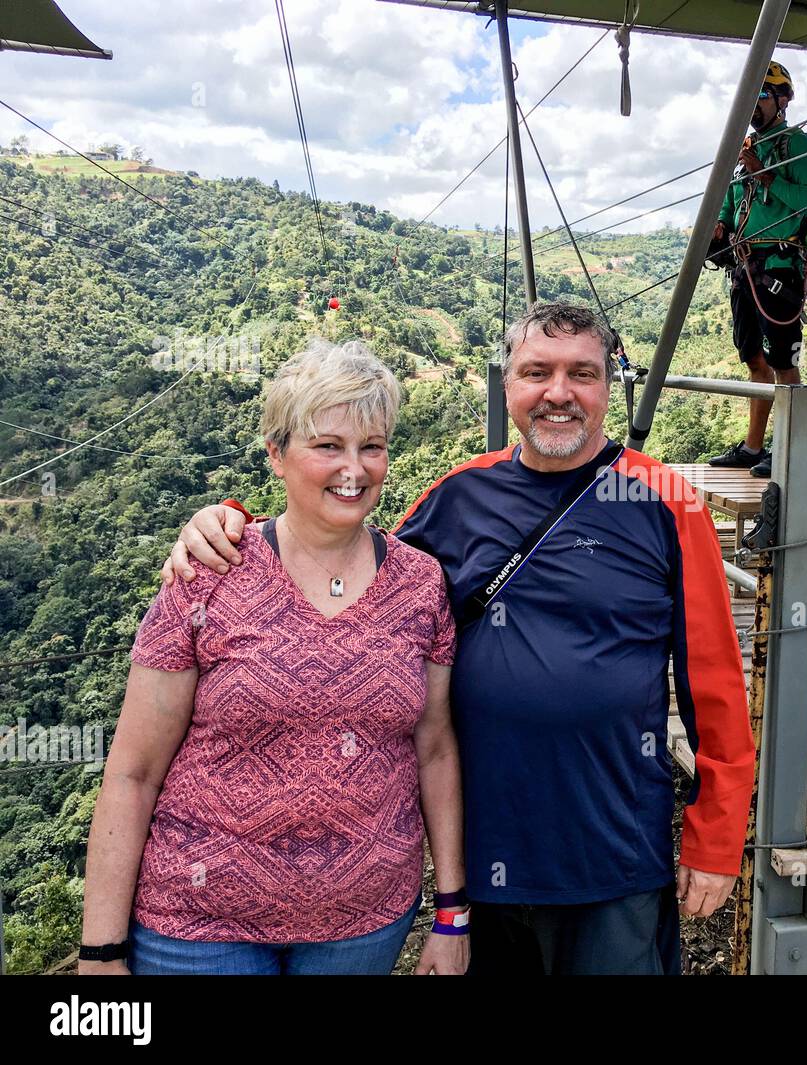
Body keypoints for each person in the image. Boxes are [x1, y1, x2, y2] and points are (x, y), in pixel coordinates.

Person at [161, 304, 755, 975]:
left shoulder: (669, 504)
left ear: (606, 386)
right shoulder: (461, 495)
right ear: (508, 386)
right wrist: (234, 523)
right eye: (537, 372)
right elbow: (345, 554)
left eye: (580, 373)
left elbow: (715, 684)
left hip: (613, 853)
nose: (558, 392)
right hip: (486, 854)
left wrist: (716, 839)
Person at [80, 339, 468, 976]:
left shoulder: (420, 584)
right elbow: (132, 773)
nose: (354, 468)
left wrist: (452, 913)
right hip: (199, 929)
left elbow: (434, 748)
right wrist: (100, 953)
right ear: (276, 454)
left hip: (364, 926)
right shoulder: (210, 570)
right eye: (327, 445)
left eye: (371, 446)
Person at [708, 60, 807, 478]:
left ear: (783, 99)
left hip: (779, 265)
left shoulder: (801, 149)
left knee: (782, 362)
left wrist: (766, 175)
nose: (754, 106)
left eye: (761, 97)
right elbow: (731, 200)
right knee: (754, 359)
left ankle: (787, 449)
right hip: (744, 267)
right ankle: (753, 447)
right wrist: (719, 225)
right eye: (750, 98)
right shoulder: (746, 151)